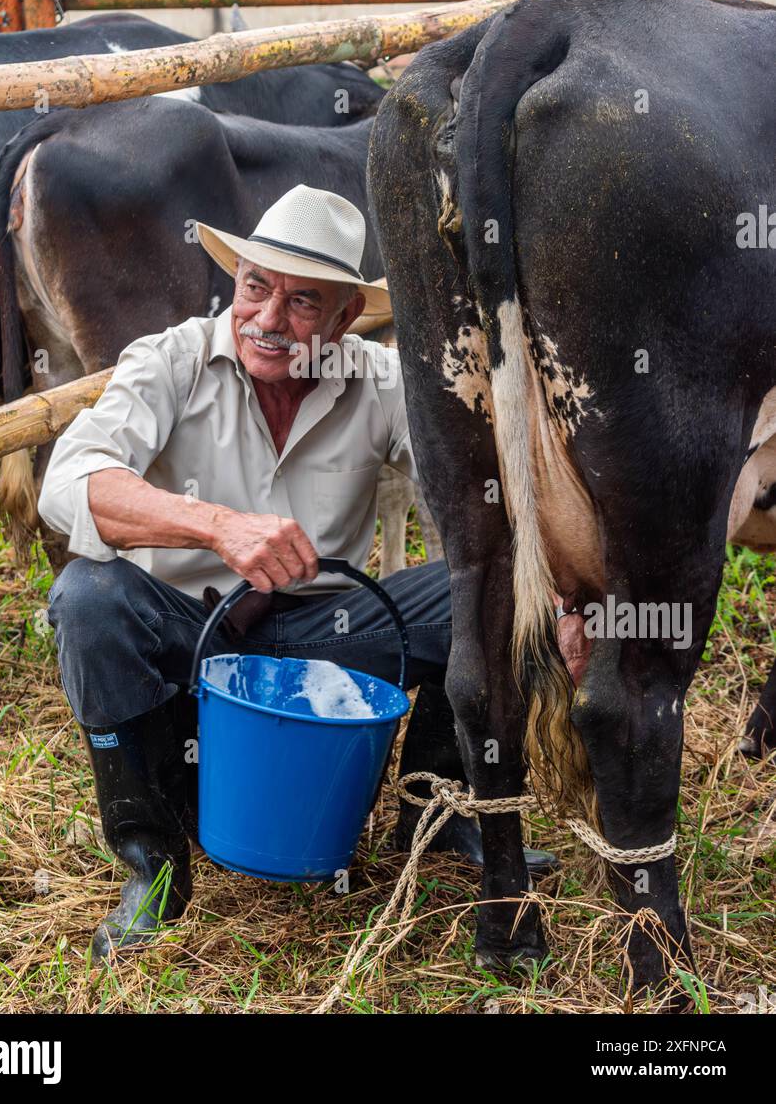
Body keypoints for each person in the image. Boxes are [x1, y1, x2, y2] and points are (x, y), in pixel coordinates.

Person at [41, 184, 554, 959]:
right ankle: (152, 859)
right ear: (234, 280)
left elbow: (481, 496)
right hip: (189, 633)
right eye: (255, 287)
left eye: (303, 303)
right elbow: (67, 484)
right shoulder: (174, 360)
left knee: (487, 591)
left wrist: (568, 592)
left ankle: (437, 818)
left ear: (348, 318)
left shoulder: (380, 380)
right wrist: (216, 525)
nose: (269, 321)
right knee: (87, 598)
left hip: (326, 639)